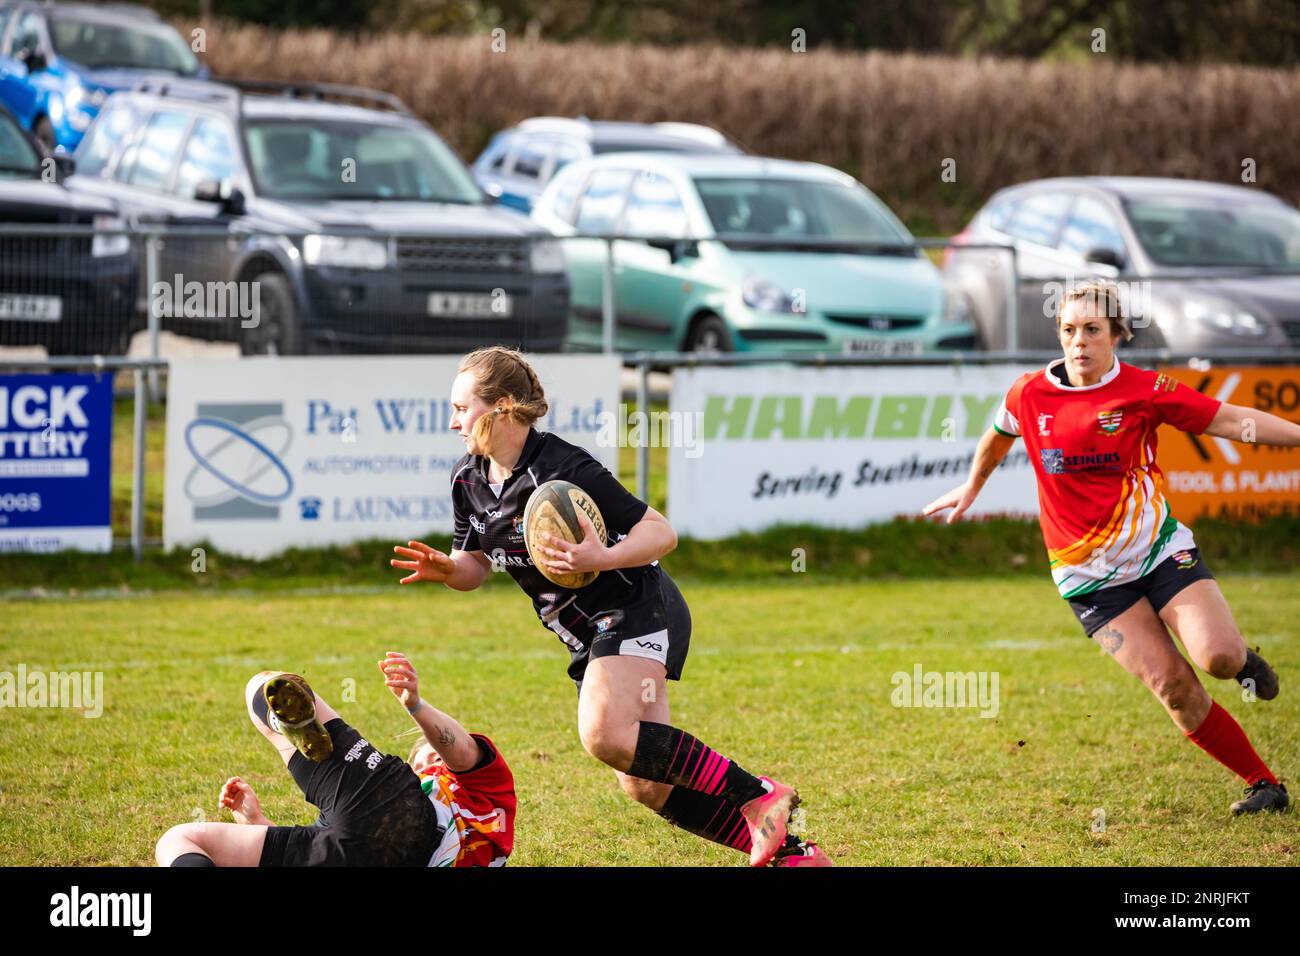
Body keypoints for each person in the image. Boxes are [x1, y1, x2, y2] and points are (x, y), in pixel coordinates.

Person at [391, 346, 829, 866]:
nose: (452, 422)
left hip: (633, 604)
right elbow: (475, 566)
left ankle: (758, 795)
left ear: (502, 405)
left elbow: (660, 531)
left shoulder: (563, 467)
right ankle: (795, 855)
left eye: (461, 409)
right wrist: (449, 569)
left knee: (602, 733)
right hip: (586, 632)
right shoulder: (468, 480)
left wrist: (604, 554)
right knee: (644, 782)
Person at [924, 281, 1293, 816]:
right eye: (1069, 331)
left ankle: (1242, 662)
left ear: (1117, 335)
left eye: (1093, 330)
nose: (1079, 342)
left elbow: (1232, 421)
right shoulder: (1029, 393)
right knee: (1173, 687)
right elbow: (999, 434)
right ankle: (1264, 784)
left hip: (1158, 552)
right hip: (1088, 578)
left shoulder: (1145, 390)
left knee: (1217, 657)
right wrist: (972, 485)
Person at [154, 651, 515, 866]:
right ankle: (292, 725)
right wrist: (256, 820)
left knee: (261, 683)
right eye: (421, 762)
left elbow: (462, 750)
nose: (428, 762)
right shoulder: (484, 808)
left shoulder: (482, 785)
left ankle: (288, 724)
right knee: (180, 839)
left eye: (429, 759)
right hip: (352, 844)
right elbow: (329, 842)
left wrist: (417, 705)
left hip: (392, 807)